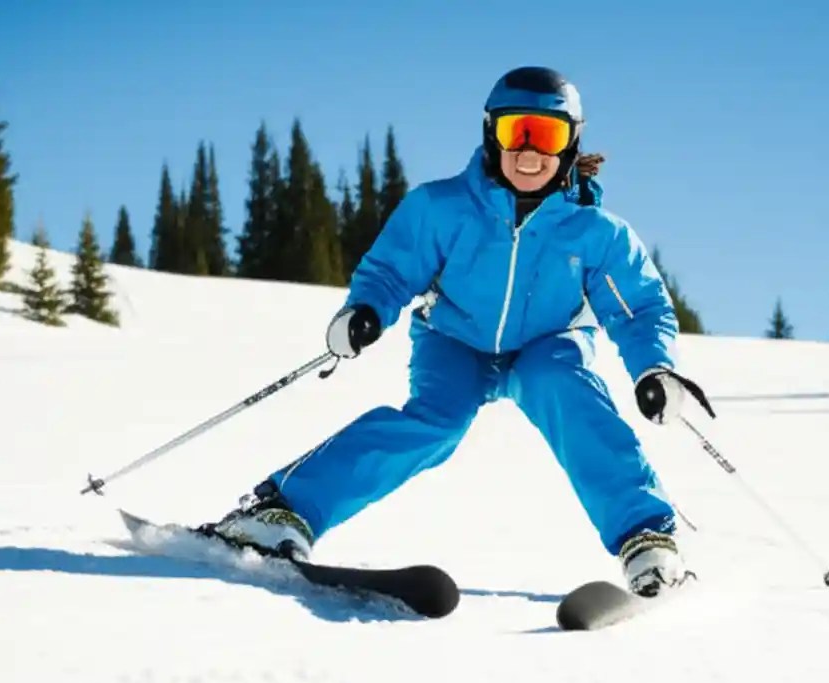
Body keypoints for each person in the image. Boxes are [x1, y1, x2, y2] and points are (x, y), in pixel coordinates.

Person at [202, 66, 713, 597]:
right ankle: (282, 510)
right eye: (517, 131)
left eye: (547, 134)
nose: (530, 151)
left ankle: (646, 537)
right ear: (492, 134)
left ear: (571, 143)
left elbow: (638, 308)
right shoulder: (441, 207)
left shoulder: (597, 233)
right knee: (436, 422)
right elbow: (391, 270)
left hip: (547, 344)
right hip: (454, 339)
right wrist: (366, 311)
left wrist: (654, 367)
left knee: (566, 391)